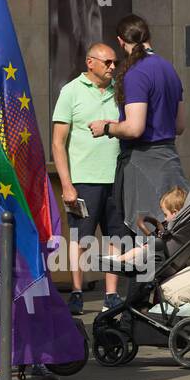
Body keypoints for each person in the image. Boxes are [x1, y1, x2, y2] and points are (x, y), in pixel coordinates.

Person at [86, 15, 186, 282]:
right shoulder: (168, 69)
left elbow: (134, 128)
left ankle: (143, 314)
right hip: (169, 161)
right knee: (168, 239)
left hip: (144, 164)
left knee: (146, 243)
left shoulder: (136, 73)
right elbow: (180, 125)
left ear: (121, 42)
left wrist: (106, 127)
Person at [51, 42, 122, 314]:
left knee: (116, 237)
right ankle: (78, 291)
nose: (113, 67)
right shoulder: (70, 92)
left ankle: (112, 294)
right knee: (81, 239)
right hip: (84, 179)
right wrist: (67, 184)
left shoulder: (120, 92)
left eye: (115, 62)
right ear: (90, 63)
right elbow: (58, 142)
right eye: (108, 63)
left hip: (116, 177)